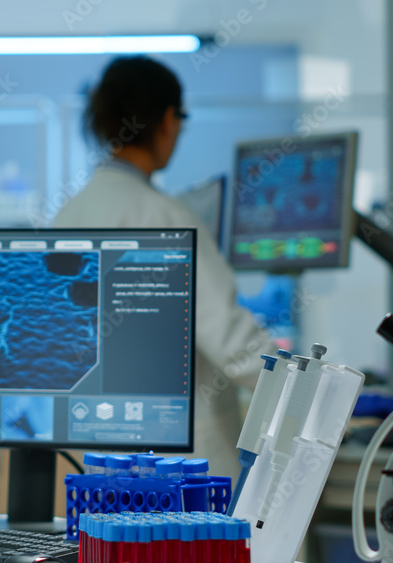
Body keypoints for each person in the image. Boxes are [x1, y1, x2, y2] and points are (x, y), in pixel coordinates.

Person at [53, 56, 276, 478]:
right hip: (177, 458)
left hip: (92, 452)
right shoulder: (166, 216)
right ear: (169, 120)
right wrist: (309, 391)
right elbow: (234, 346)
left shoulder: (69, 213)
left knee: (105, 546)